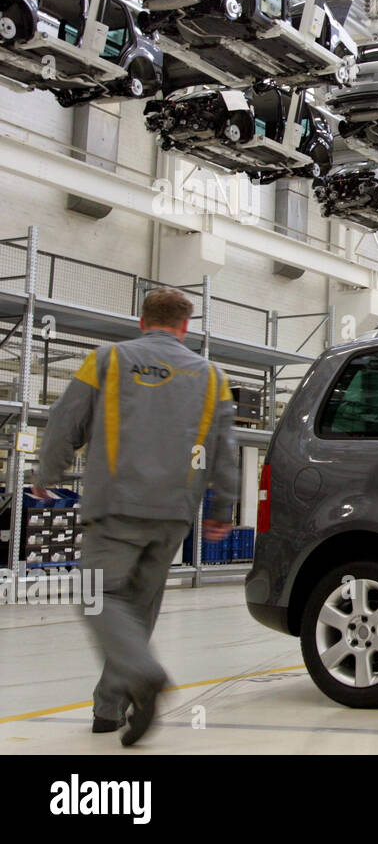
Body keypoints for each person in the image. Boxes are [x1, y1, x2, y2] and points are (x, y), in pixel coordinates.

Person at [34, 286, 238, 746]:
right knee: (138, 610)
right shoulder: (212, 377)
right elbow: (225, 453)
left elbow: (66, 420)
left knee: (95, 595)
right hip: (173, 514)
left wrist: (48, 472)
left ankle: (144, 674)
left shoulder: (106, 360)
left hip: (115, 506)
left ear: (142, 319)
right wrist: (221, 510)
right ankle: (110, 710)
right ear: (186, 327)